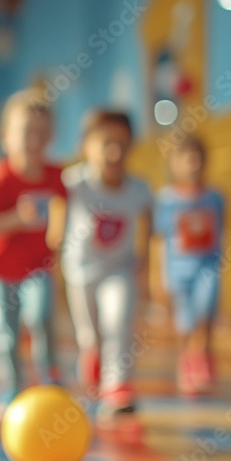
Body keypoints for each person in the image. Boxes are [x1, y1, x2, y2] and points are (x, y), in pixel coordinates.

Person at [0, 90, 67, 419]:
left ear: (51, 136)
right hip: (3, 270)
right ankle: (12, 386)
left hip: (39, 266)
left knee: (41, 316)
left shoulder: (56, 175)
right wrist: (14, 220)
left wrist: (63, 232)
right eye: (26, 132)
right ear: (6, 137)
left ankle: (50, 374)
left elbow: (66, 208)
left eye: (41, 133)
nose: (33, 141)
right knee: (8, 335)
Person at [61, 109, 153, 421]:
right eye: (106, 144)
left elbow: (148, 224)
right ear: (85, 146)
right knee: (90, 334)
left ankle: (118, 386)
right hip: (80, 271)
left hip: (119, 269)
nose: (114, 152)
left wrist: (145, 267)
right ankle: (92, 356)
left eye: (122, 145)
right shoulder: (75, 183)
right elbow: (54, 212)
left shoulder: (138, 189)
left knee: (119, 322)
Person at [154, 136, 224, 394]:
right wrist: (158, 275)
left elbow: (222, 230)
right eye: (186, 158)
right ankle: (185, 362)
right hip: (178, 271)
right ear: (174, 163)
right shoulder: (166, 199)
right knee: (184, 321)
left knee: (205, 312)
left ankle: (203, 358)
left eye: (197, 158)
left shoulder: (214, 198)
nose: (192, 164)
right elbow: (159, 239)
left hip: (207, 267)